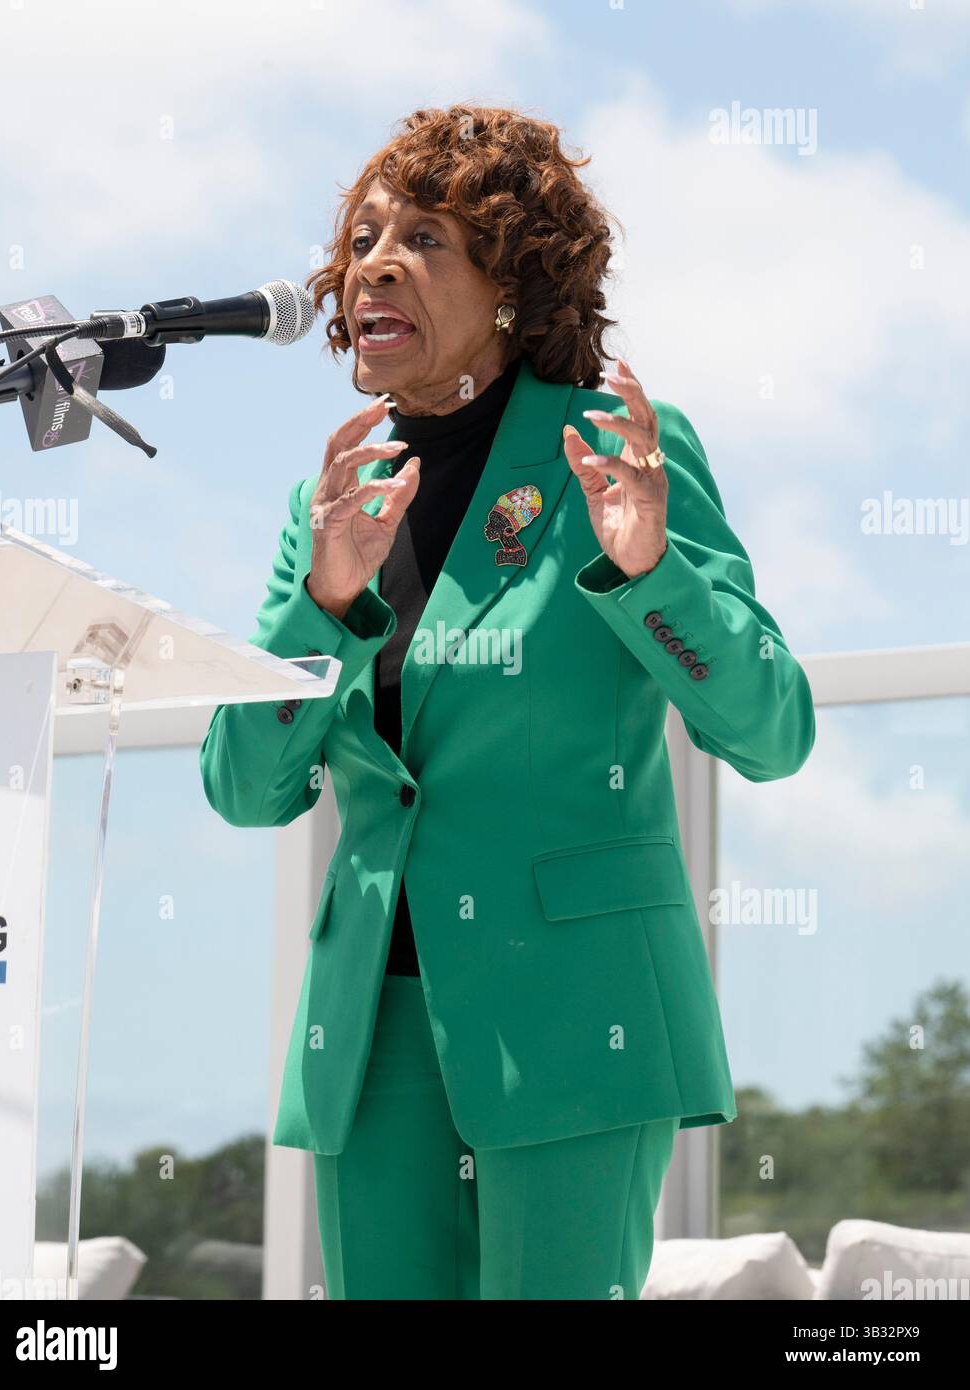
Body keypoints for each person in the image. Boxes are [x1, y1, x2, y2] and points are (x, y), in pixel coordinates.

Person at [200, 104, 816, 1300]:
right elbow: (243, 786)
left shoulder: (613, 449)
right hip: (370, 1034)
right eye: (362, 237)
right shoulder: (329, 503)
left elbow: (769, 725)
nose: (371, 262)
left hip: (576, 1020)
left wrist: (650, 573)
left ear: (514, 288)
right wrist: (321, 603)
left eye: (424, 237)